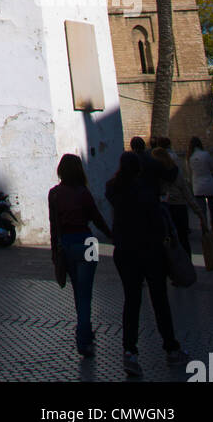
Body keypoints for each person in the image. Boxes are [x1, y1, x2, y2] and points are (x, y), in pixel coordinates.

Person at [105, 150, 189, 377]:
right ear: (139, 170)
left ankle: (129, 351)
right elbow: (158, 224)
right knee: (159, 300)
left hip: (124, 253)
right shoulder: (146, 193)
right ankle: (171, 348)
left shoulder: (113, 190)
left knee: (132, 302)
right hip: (150, 252)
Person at [48, 154, 112, 358]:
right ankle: (84, 337)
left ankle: (85, 333)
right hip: (87, 241)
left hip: (66, 243)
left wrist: (54, 251)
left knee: (78, 291)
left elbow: (53, 224)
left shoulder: (54, 194)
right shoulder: (83, 192)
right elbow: (96, 217)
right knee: (86, 293)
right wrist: (112, 236)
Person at [150, 144, 205, 256]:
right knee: (183, 239)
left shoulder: (155, 174)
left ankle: (173, 266)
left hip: (165, 209)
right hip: (180, 208)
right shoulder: (176, 171)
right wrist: (199, 212)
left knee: (167, 240)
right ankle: (187, 264)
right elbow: (187, 193)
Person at [187, 137, 213, 240]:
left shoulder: (190, 157)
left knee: (202, 211)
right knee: (212, 210)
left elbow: (189, 172)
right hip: (209, 184)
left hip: (197, 186)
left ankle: (205, 233)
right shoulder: (205, 155)